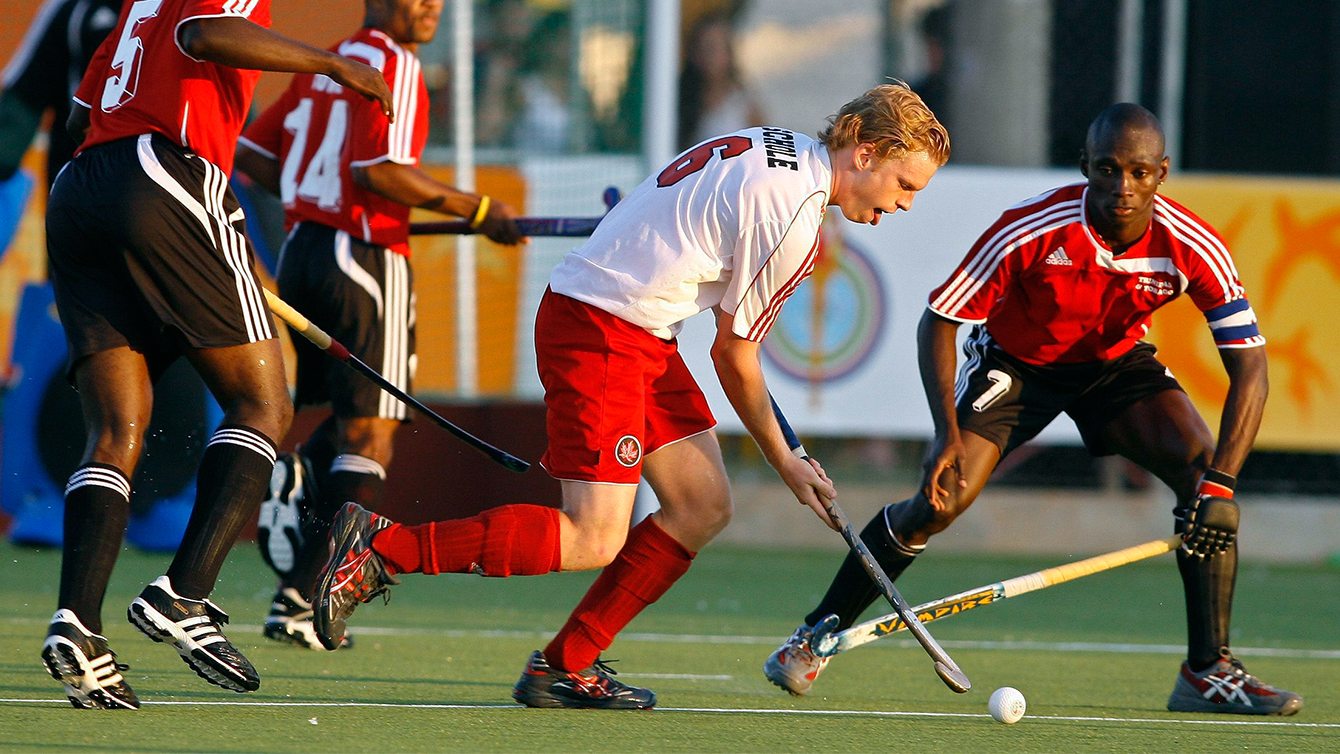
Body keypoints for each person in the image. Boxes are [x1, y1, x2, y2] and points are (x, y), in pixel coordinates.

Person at [310, 82, 949, 709]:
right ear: (864, 153)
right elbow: (734, 357)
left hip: (637, 326)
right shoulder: (795, 215)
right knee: (593, 535)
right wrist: (786, 459)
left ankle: (565, 666)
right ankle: (379, 550)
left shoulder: (774, 144)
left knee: (700, 505)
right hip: (604, 329)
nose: (904, 205)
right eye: (904, 185)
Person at [763, 103, 1302, 717]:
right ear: (1085, 168)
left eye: (1139, 172)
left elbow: (1251, 367)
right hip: (1015, 366)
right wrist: (943, 435)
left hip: (1114, 367)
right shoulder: (1034, 227)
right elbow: (939, 321)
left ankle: (1208, 671)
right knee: (939, 501)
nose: (1122, 188)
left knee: (1204, 473)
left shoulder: (1191, 245)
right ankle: (815, 635)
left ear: (1161, 173)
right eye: (1107, 170)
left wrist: (1224, 487)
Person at [39, 0, 393, 710]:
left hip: (78, 193)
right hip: (164, 170)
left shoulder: (136, 9)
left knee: (115, 431)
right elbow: (205, 34)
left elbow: (82, 117)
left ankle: (77, 624)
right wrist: (331, 62)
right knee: (264, 403)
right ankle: (184, 594)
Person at [233, 0, 525, 651]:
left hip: (304, 249)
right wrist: (476, 209)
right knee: (375, 426)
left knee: (351, 412)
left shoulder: (322, 64)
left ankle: (300, 486)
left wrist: (315, 190)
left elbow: (250, 154)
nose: (431, 8)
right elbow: (379, 172)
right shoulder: (393, 62)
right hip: (363, 255)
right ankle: (308, 598)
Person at [677, 13, 766, 151]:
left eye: (713, 49)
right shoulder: (680, 102)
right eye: (701, 48)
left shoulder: (744, 107)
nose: (707, 57)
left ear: (729, 53)